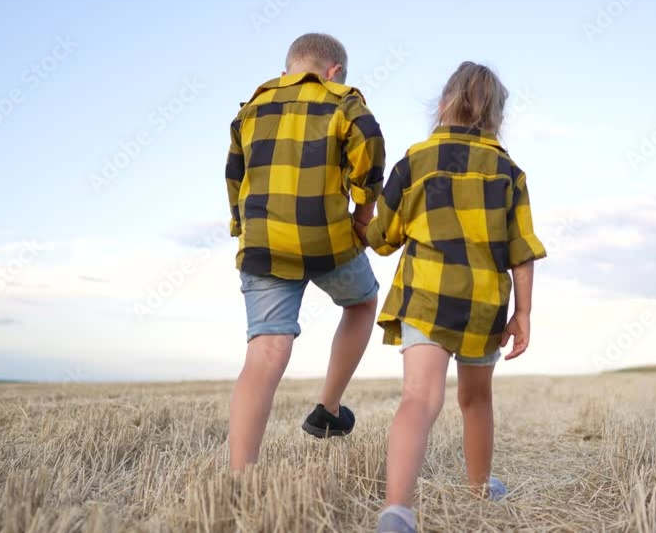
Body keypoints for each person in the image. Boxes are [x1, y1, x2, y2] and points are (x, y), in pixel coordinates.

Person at [366, 62, 547, 533]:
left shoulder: (415, 160)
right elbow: (521, 250)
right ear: (497, 117)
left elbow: (384, 236)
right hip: (483, 303)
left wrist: (361, 227)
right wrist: (524, 313)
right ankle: (480, 489)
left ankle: (398, 510)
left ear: (443, 104)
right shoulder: (509, 171)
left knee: (418, 400)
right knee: (476, 400)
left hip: (425, 293)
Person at [224, 33, 386, 469]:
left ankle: (239, 475)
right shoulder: (343, 101)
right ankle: (328, 409)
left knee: (266, 351)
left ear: (287, 70)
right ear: (333, 72)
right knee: (363, 300)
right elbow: (369, 147)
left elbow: (234, 176)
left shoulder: (250, 108)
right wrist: (363, 213)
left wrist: (242, 226)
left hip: (263, 245)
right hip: (327, 240)